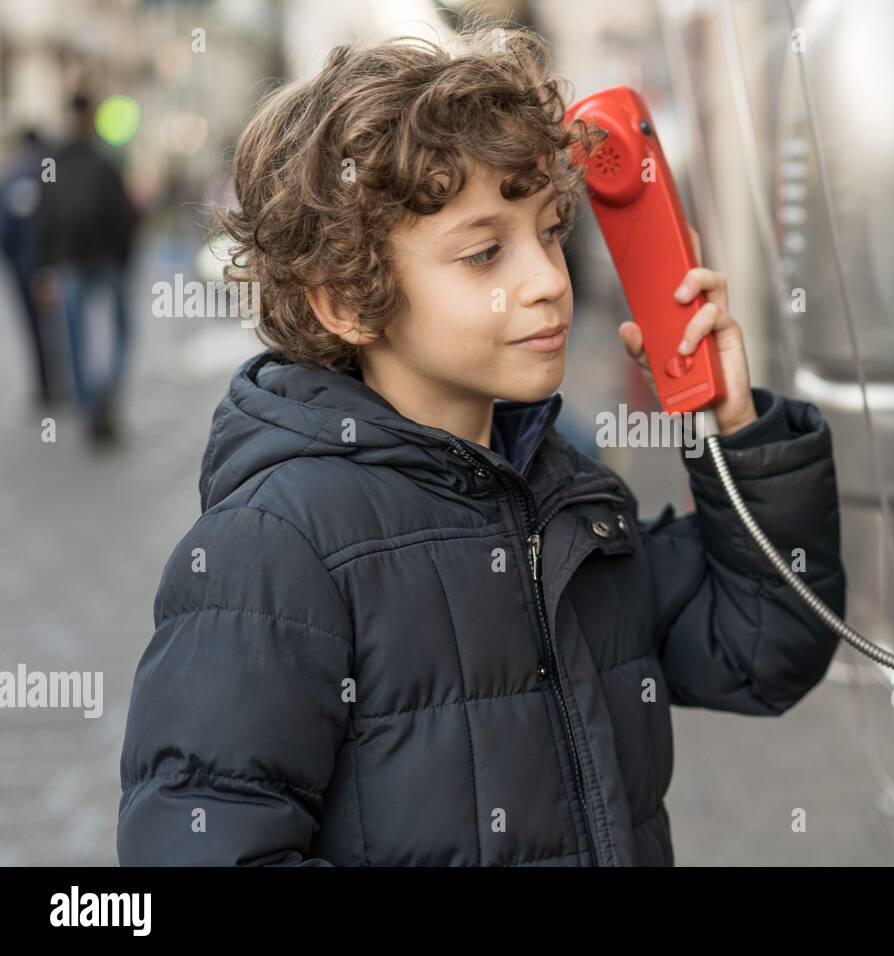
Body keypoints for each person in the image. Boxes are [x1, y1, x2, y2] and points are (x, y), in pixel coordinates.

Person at [116, 26, 846, 866]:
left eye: (548, 232)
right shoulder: (272, 550)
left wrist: (734, 424)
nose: (546, 280)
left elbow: (765, 648)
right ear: (348, 302)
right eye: (485, 252)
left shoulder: (568, 498)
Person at [37, 92, 139, 445]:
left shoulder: (55, 164)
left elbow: (45, 217)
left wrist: (45, 266)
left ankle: (88, 401)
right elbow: (125, 214)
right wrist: (124, 258)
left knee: (76, 335)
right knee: (119, 328)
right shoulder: (104, 161)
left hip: (71, 260)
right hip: (106, 258)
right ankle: (104, 393)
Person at [0, 129, 60, 406]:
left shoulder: (15, 173)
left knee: (34, 329)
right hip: (54, 266)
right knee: (59, 326)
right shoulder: (52, 171)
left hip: (25, 268)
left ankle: (45, 384)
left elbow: (6, 229)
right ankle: (61, 380)